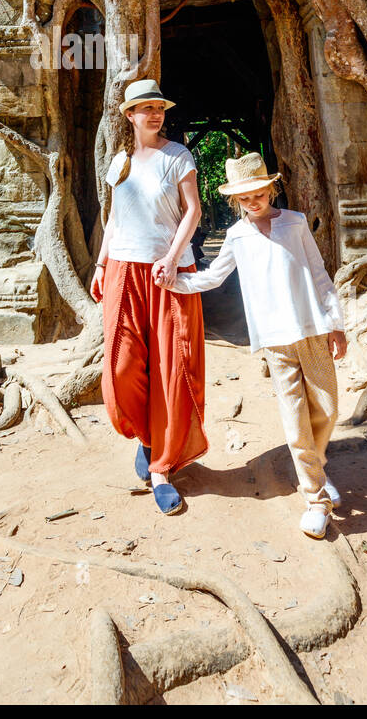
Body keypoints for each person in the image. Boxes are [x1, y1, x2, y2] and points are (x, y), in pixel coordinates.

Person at [153, 151, 347, 539]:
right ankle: (315, 499)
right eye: (244, 198)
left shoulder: (295, 224)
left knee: (326, 409)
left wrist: (335, 324)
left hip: (310, 330)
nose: (252, 202)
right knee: (295, 421)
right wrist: (175, 281)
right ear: (235, 201)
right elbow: (213, 277)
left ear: (271, 188)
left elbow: (320, 273)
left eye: (258, 193)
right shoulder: (237, 236)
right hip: (275, 341)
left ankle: (317, 473)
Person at [90, 78, 208, 516]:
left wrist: (174, 258)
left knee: (171, 368)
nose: (154, 114)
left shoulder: (177, 155)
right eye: (145, 108)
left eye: (159, 107)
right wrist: (101, 264)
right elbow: (114, 217)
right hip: (122, 266)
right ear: (129, 115)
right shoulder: (119, 161)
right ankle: (145, 435)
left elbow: (193, 210)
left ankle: (161, 468)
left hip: (168, 273)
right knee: (121, 367)